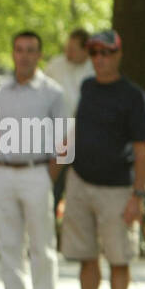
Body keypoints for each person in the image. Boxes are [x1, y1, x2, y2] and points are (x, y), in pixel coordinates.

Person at [53, 29, 145, 289]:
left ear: (118, 55)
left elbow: (143, 149)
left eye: (106, 53)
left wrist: (138, 196)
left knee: (119, 257)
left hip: (117, 188)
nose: (100, 59)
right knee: (85, 255)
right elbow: (77, 132)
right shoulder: (87, 88)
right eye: (94, 53)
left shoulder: (133, 96)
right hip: (81, 182)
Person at [0, 31, 67, 289]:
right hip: (2, 174)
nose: (25, 55)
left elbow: (64, 141)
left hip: (37, 173)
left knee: (42, 246)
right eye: (19, 50)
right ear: (13, 53)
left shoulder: (53, 92)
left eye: (31, 50)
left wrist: (49, 175)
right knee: (9, 245)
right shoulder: (0, 91)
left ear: (39, 55)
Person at [43, 27, 94, 209]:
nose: (68, 53)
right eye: (67, 47)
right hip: (55, 141)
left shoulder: (94, 70)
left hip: (83, 143)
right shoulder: (55, 66)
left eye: (73, 49)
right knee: (52, 192)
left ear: (85, 49)